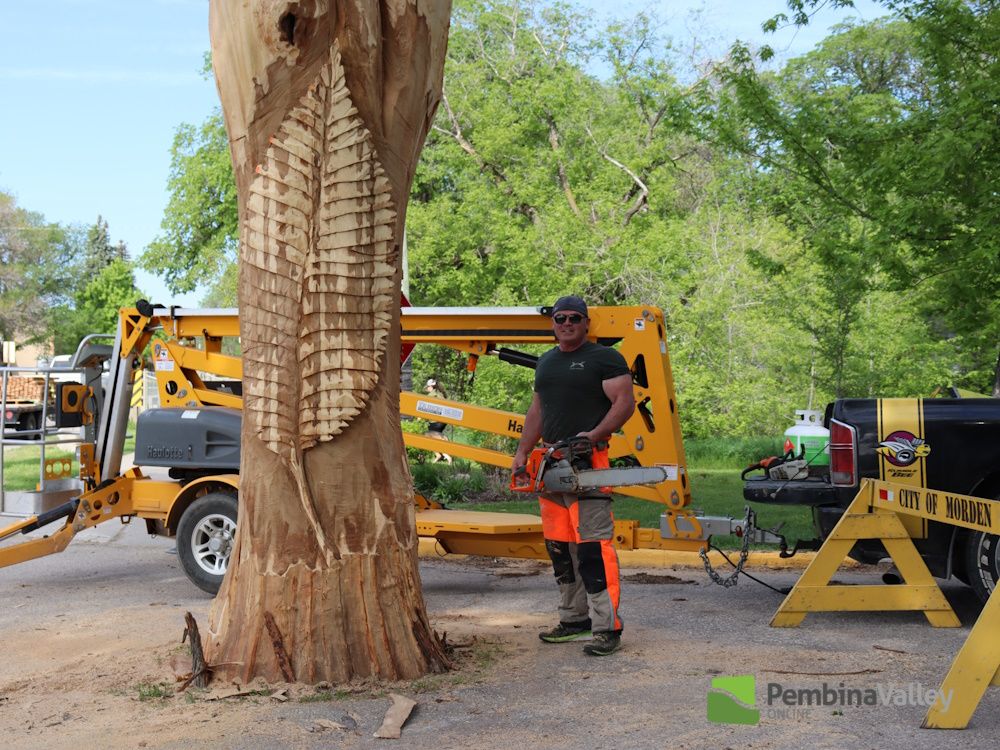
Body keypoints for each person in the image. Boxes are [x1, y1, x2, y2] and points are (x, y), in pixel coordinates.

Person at [512, 295, 635, 656]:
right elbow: (538, 409)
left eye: (574, 318)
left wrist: (593, 435)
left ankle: (606, 626)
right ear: (553, 323)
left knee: (593, 547)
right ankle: (573, 619)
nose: (566, 323)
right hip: (550, 461)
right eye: (560, 318)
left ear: (585, 323)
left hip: (587, 462)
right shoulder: (547, 363)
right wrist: (522, 451)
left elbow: (624, 402)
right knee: (561, 548)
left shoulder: (605, 358)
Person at [424, 378, 453, 464]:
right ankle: (440, 455)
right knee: (435, 437)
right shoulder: (441, 394)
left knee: (428, 436)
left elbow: (426, 408)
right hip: (443, 421)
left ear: (431, 387)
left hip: (435, 421)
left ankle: (445, 456)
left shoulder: (431, 395)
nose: (427, 389)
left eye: (427, 387)